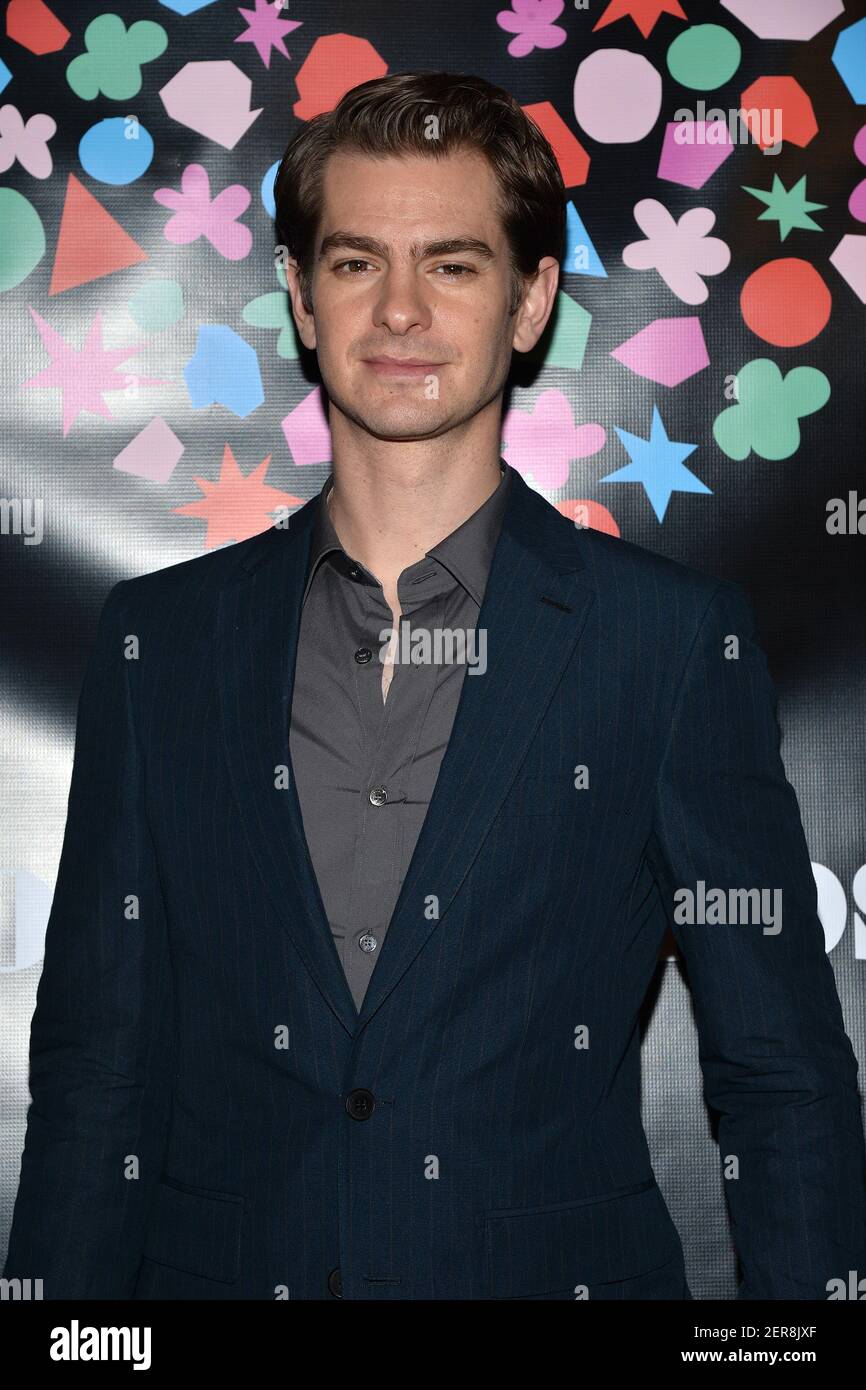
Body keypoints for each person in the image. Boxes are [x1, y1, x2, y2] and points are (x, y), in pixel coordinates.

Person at [5, 72, 865, 1301]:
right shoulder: (160, 644)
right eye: (356, 263)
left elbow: (777, 1078)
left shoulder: (666, 645)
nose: (399, 309)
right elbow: (98, 1073)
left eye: (452, 265)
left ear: (531, 303)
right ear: (301, 296)